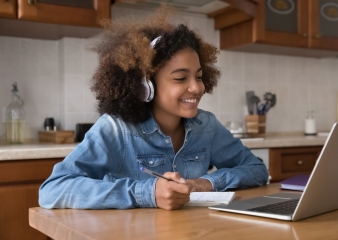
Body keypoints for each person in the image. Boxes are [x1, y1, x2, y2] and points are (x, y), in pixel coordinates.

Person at [39, 5, 268, 210]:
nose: (197, 88)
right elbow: (52, 190)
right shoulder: (116, 130)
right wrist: (147, 193)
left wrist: (208, 182)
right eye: (180, 79)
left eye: (198, 77)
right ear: (145, 85)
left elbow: (257, 170)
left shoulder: (206, 126)